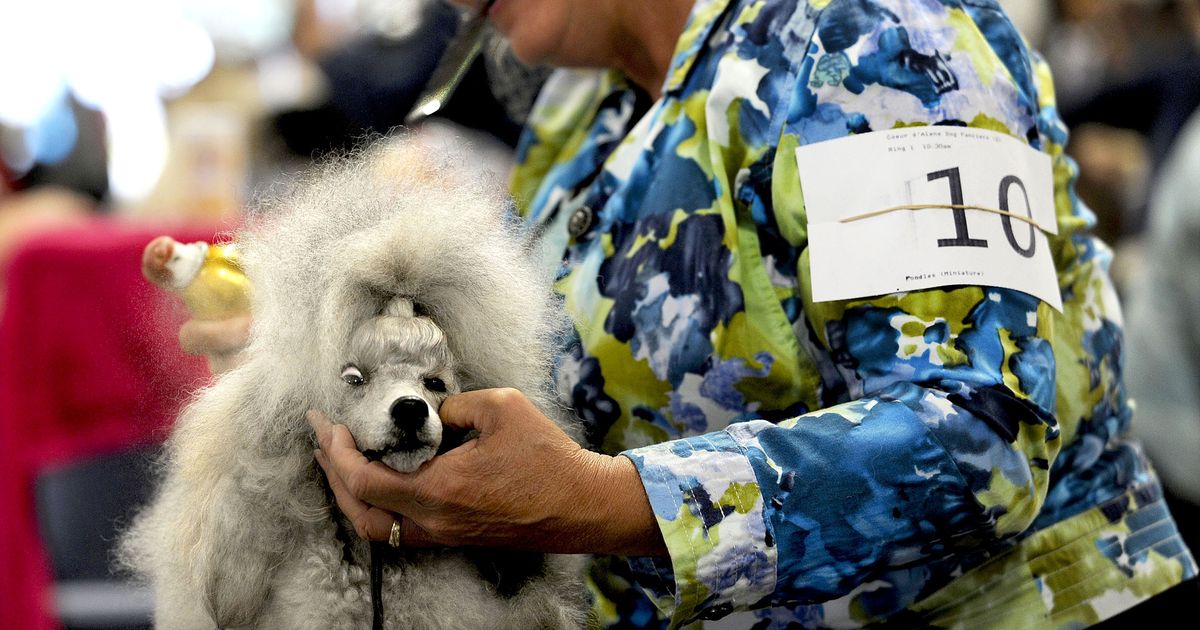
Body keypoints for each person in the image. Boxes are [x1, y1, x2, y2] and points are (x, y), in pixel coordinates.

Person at [190, 0, 1198, 627]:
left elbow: (977, 438)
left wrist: (601, 502)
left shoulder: (872, 36)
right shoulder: (583, 113)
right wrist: (313, 341)